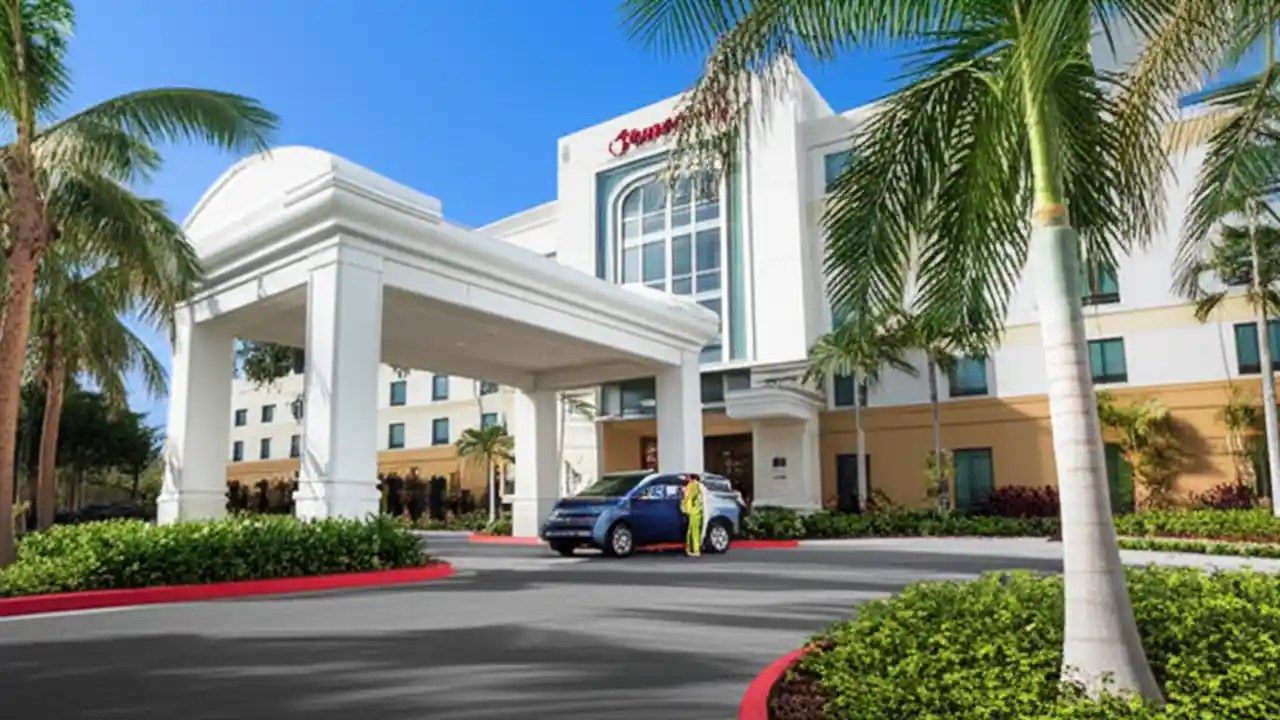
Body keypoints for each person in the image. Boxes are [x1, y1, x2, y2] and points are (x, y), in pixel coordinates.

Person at [680, 473, 709, 557]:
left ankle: (693, 549)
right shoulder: (700, 486)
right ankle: (695, 549)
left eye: (688, 478)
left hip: (693, 511)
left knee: (692, 531)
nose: (687, 479)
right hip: (698, 511)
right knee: (695, 530)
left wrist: (683, 507)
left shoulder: (691, 486)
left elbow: (686, 498)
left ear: (692, 478)